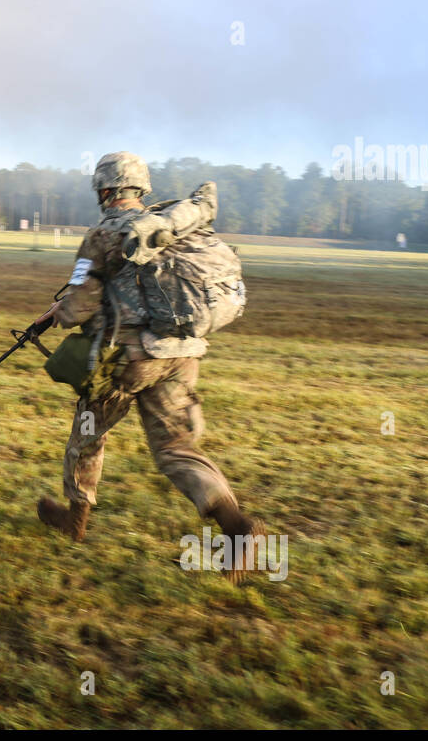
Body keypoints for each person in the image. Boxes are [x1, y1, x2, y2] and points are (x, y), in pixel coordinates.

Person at [34, 152, 264, 582]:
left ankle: (76, 518)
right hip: (182, 355)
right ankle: (238, 527)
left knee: (88, 432)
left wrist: (59, 313)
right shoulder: (172, 226)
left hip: (129, 360)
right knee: (176, 450)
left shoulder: (103, 235)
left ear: (105, 191)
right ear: (141, 190)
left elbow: (81, 303)